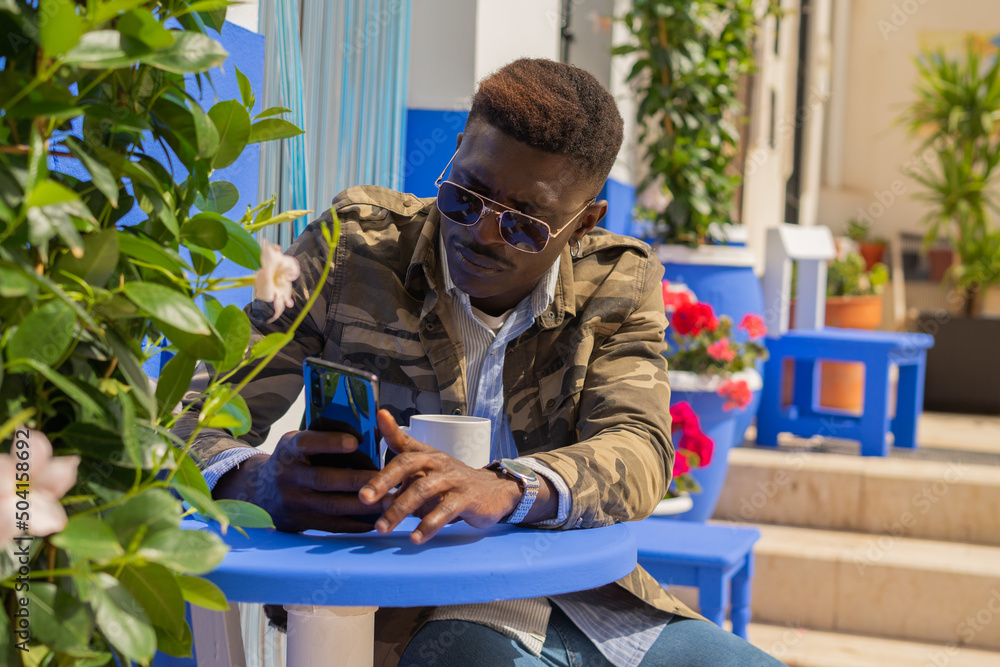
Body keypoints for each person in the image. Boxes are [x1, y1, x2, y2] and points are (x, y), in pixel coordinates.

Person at [175, 58, 784, 667]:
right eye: (465, 196)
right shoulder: (353, 249)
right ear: (459, 147)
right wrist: (250, 482)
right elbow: (186, 415)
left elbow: (640, 448)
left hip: (586, 604)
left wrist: (504, 487)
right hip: (404, 616)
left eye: (523, 224)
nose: (482, 233)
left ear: (582, 226)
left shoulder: (615, 282)